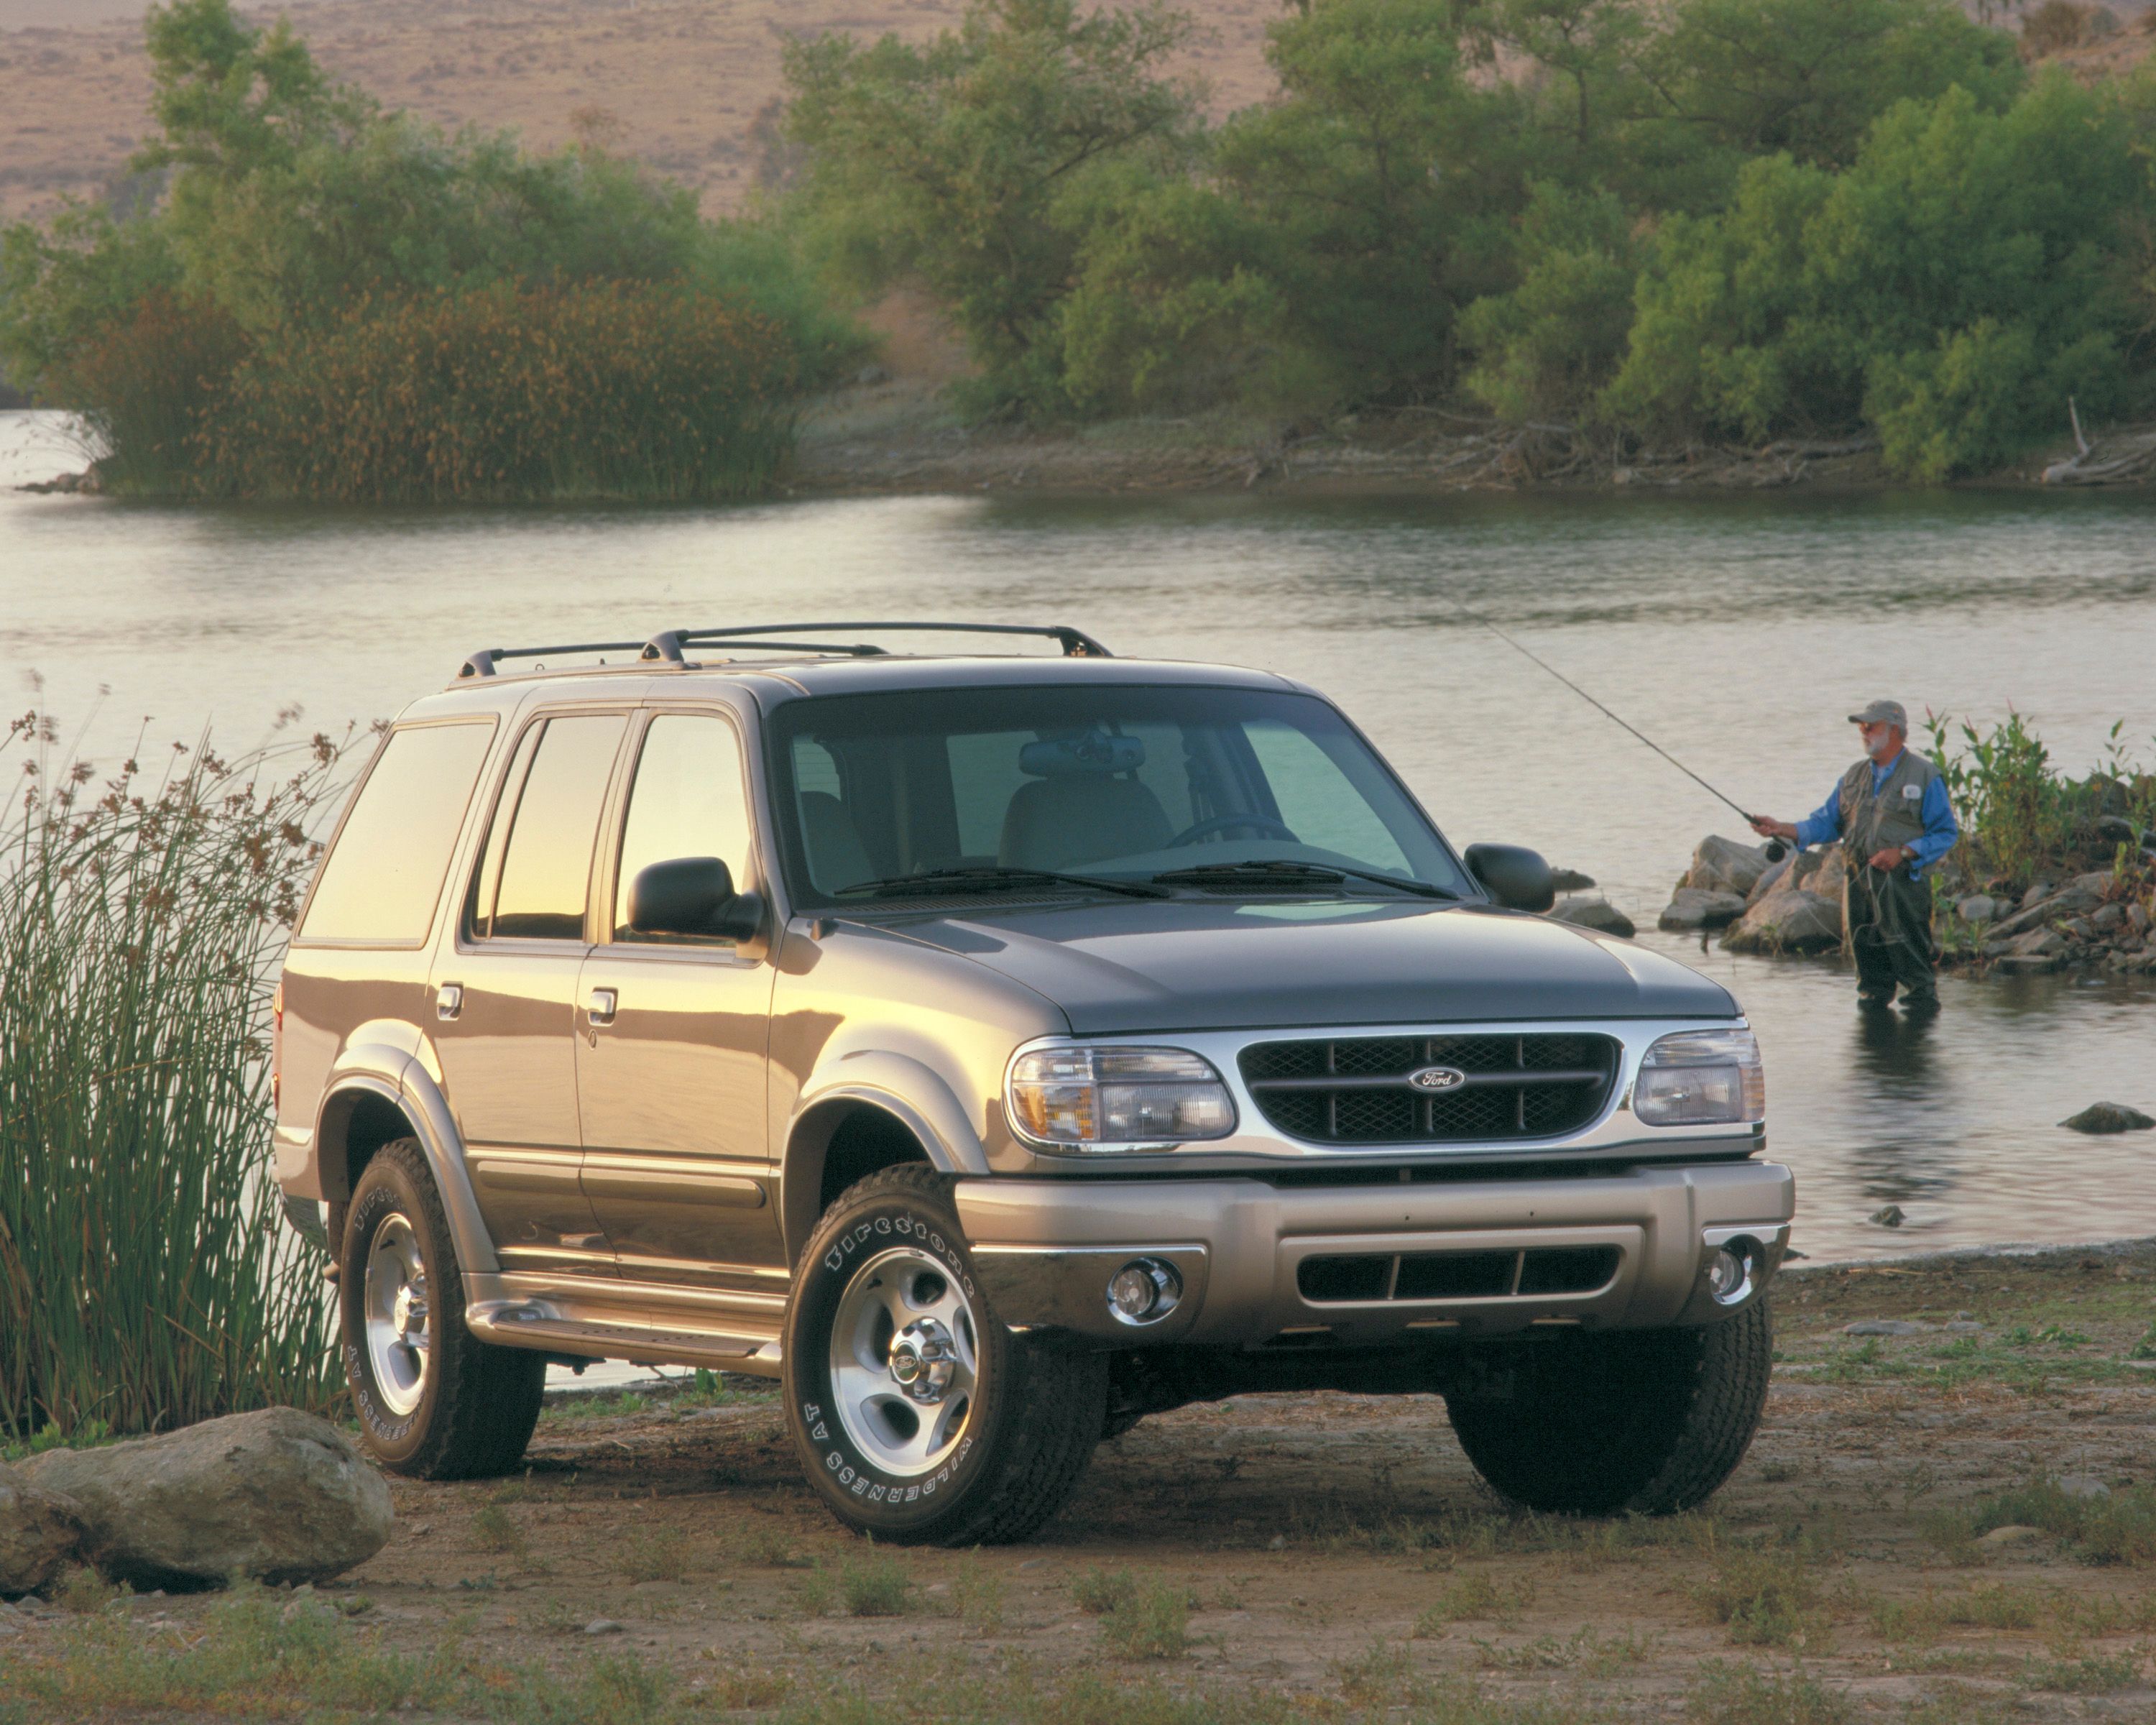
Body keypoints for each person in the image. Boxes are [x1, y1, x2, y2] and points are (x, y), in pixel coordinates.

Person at [1749, 700, 1959, 1013]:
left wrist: (1904, 852)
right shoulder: (1853, 776)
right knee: (1867, 968)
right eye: (1861, 725)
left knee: (1913, 964)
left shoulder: (1924, 775)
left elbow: (1945, 833)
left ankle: (1919, 1028)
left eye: (1871, 725)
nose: (1864, 730)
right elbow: (1826, 824)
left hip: (1902, 882)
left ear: (1895, 730)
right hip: (1857, 880)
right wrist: (1781, 827)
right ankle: (1875, 1029)